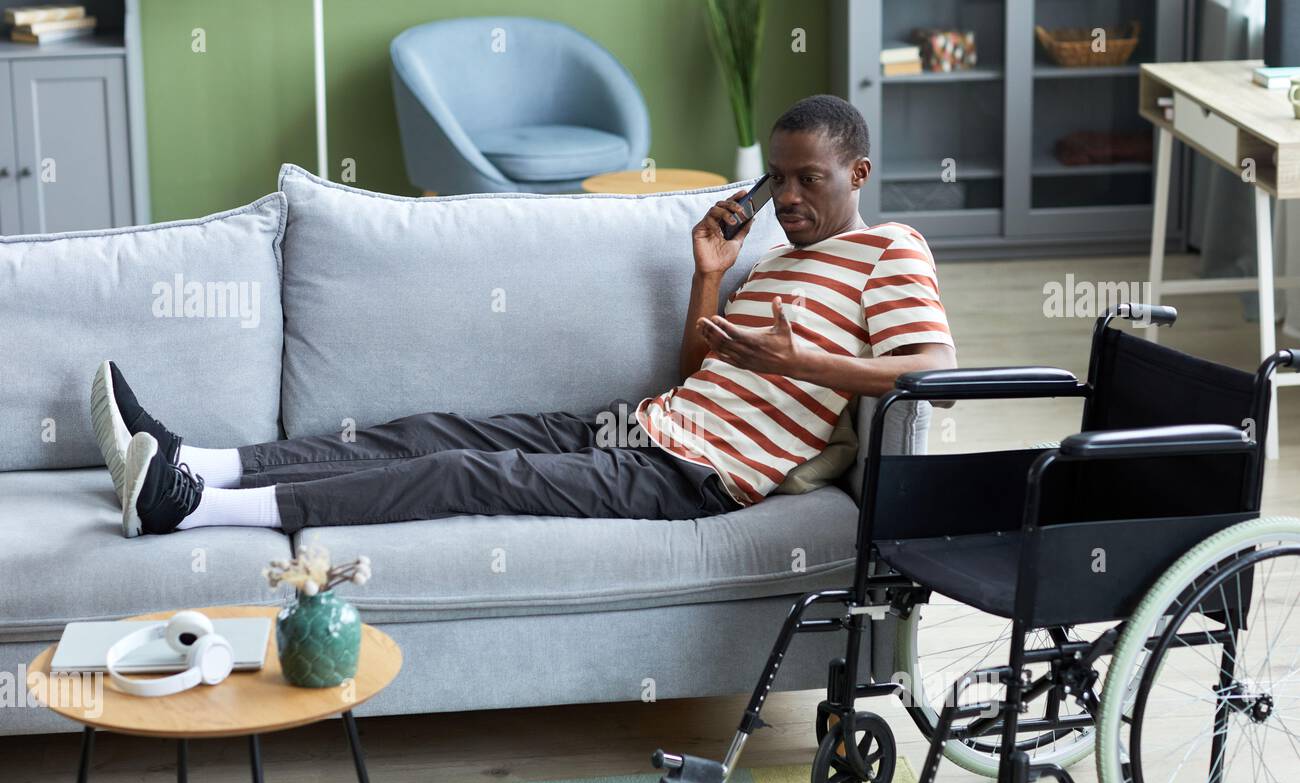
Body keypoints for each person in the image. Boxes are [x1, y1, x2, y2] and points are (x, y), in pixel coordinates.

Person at [94, 94, 957, 538]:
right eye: (782, 177)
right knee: (431, 431)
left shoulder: (891, 251)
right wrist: (709, 275)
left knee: (464, 474)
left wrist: (796, 364)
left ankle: (191, 506)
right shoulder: (768, 261)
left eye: (814, 178)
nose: (792, 196)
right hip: (639, 429)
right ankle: (198, 456)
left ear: (861, 175)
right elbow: (702, 379)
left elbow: (937, 381)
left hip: (697, 480)